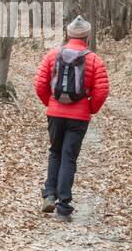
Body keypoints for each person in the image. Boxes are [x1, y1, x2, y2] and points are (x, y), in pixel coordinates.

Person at [34, 15, 109, 223]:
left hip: (55, 113)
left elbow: (39, 84)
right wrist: (90, 108)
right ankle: (63, 207)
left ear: (68, 34)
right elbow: (102, 90)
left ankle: (49, 195)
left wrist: (50, 103)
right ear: (87, 37)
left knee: (55, 152)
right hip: (79, 116)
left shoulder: (52, 56)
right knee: (69, 157)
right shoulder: (94, 59)